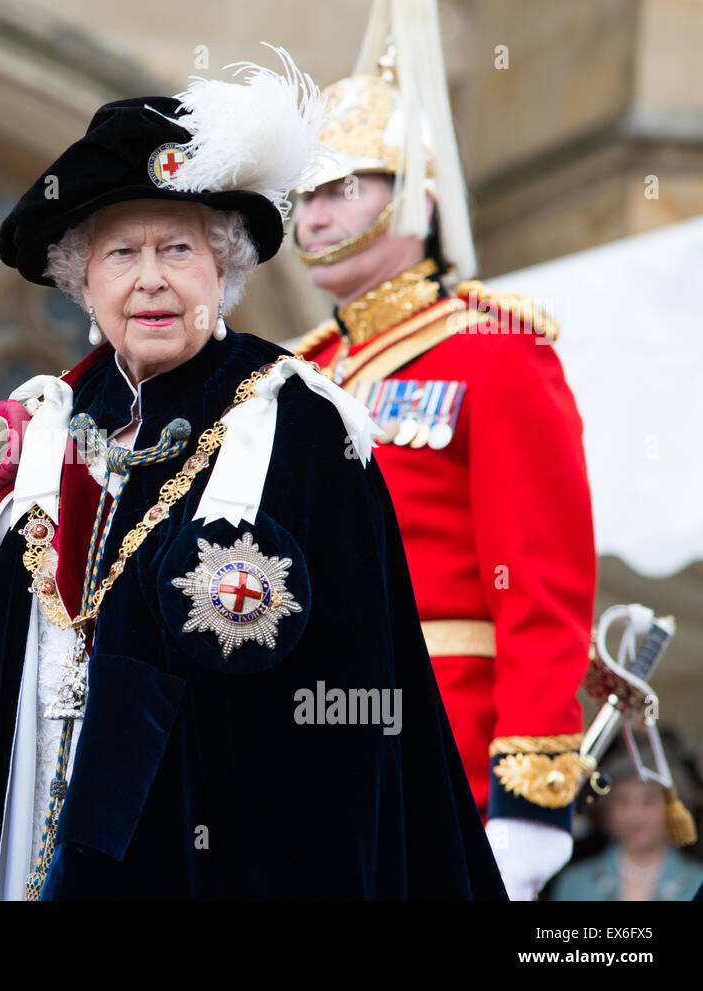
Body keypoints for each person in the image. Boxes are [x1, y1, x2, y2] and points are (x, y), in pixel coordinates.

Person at [0, 44, 506, 900]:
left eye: (177, 248)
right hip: (38, 815)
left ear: (223, 266)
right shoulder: (50, 425)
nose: (150, 281)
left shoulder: (302, 423)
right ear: (82, 282)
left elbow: (353, 710)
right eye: (119, 255)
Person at [290, 0, 597, 901]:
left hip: (442, 753)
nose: (317, 214)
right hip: (303, 750)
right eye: (308, 191)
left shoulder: (498, 351)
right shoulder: (299, 372)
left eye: (345, 186)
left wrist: (529, 799)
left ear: (416, 191)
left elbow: (544, 586)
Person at [550, 755, 703, 901]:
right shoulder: (576, 883)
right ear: (608, 811)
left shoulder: (698, 882)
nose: (635, 814)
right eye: (623, 801)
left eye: (648, 801)